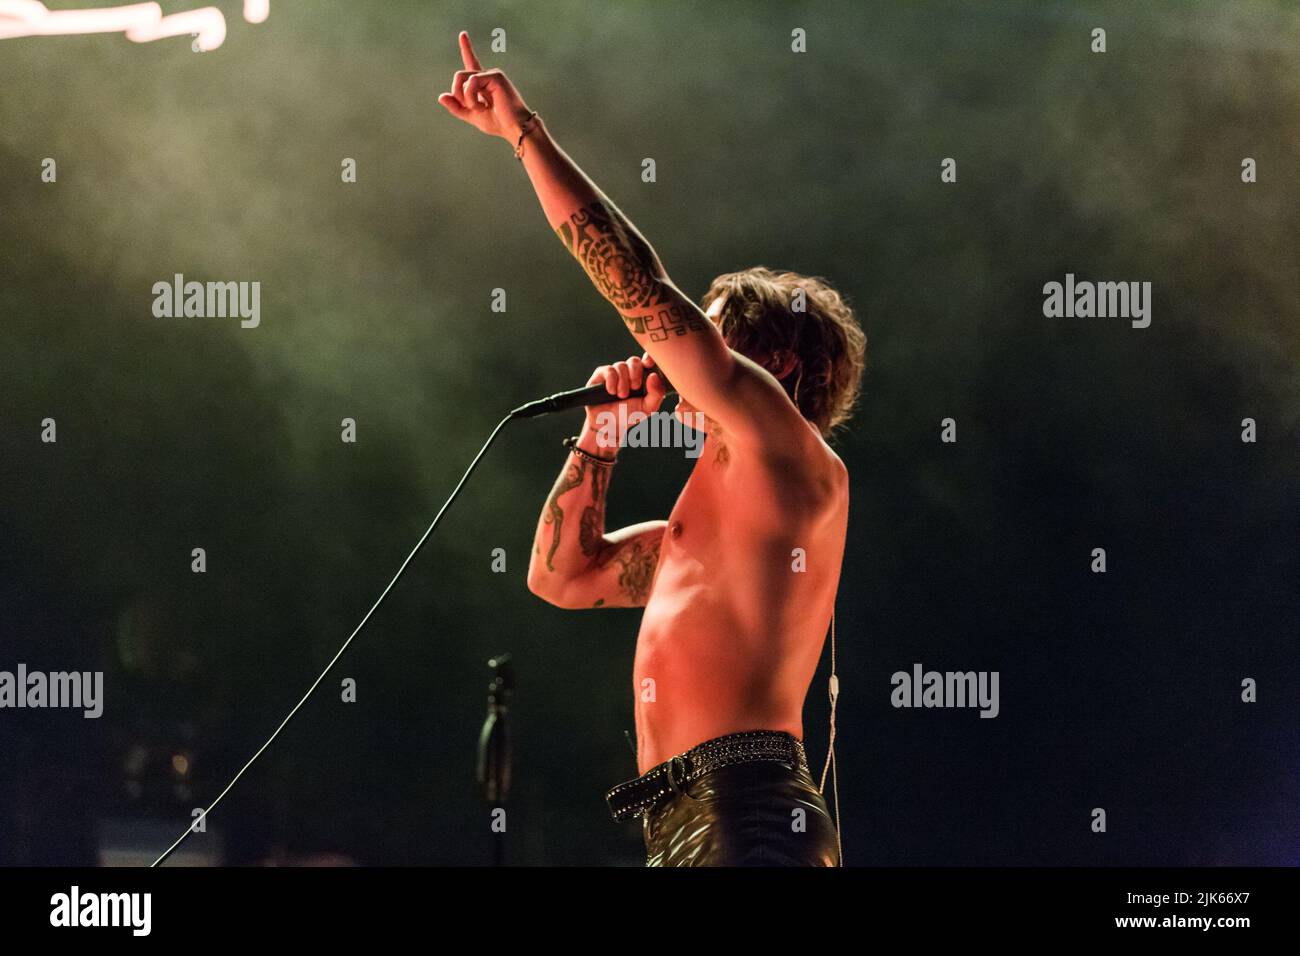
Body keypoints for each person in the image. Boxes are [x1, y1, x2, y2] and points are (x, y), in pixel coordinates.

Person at [438, 32, 865, 866]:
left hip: (746, 809)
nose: (684, 353)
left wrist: (525, 134)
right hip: (682, 817)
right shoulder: (708, 516)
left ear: (772, 363)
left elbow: (638, 287)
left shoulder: (789, 453)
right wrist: (599, 443)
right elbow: (561, 578)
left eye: (713, 338)